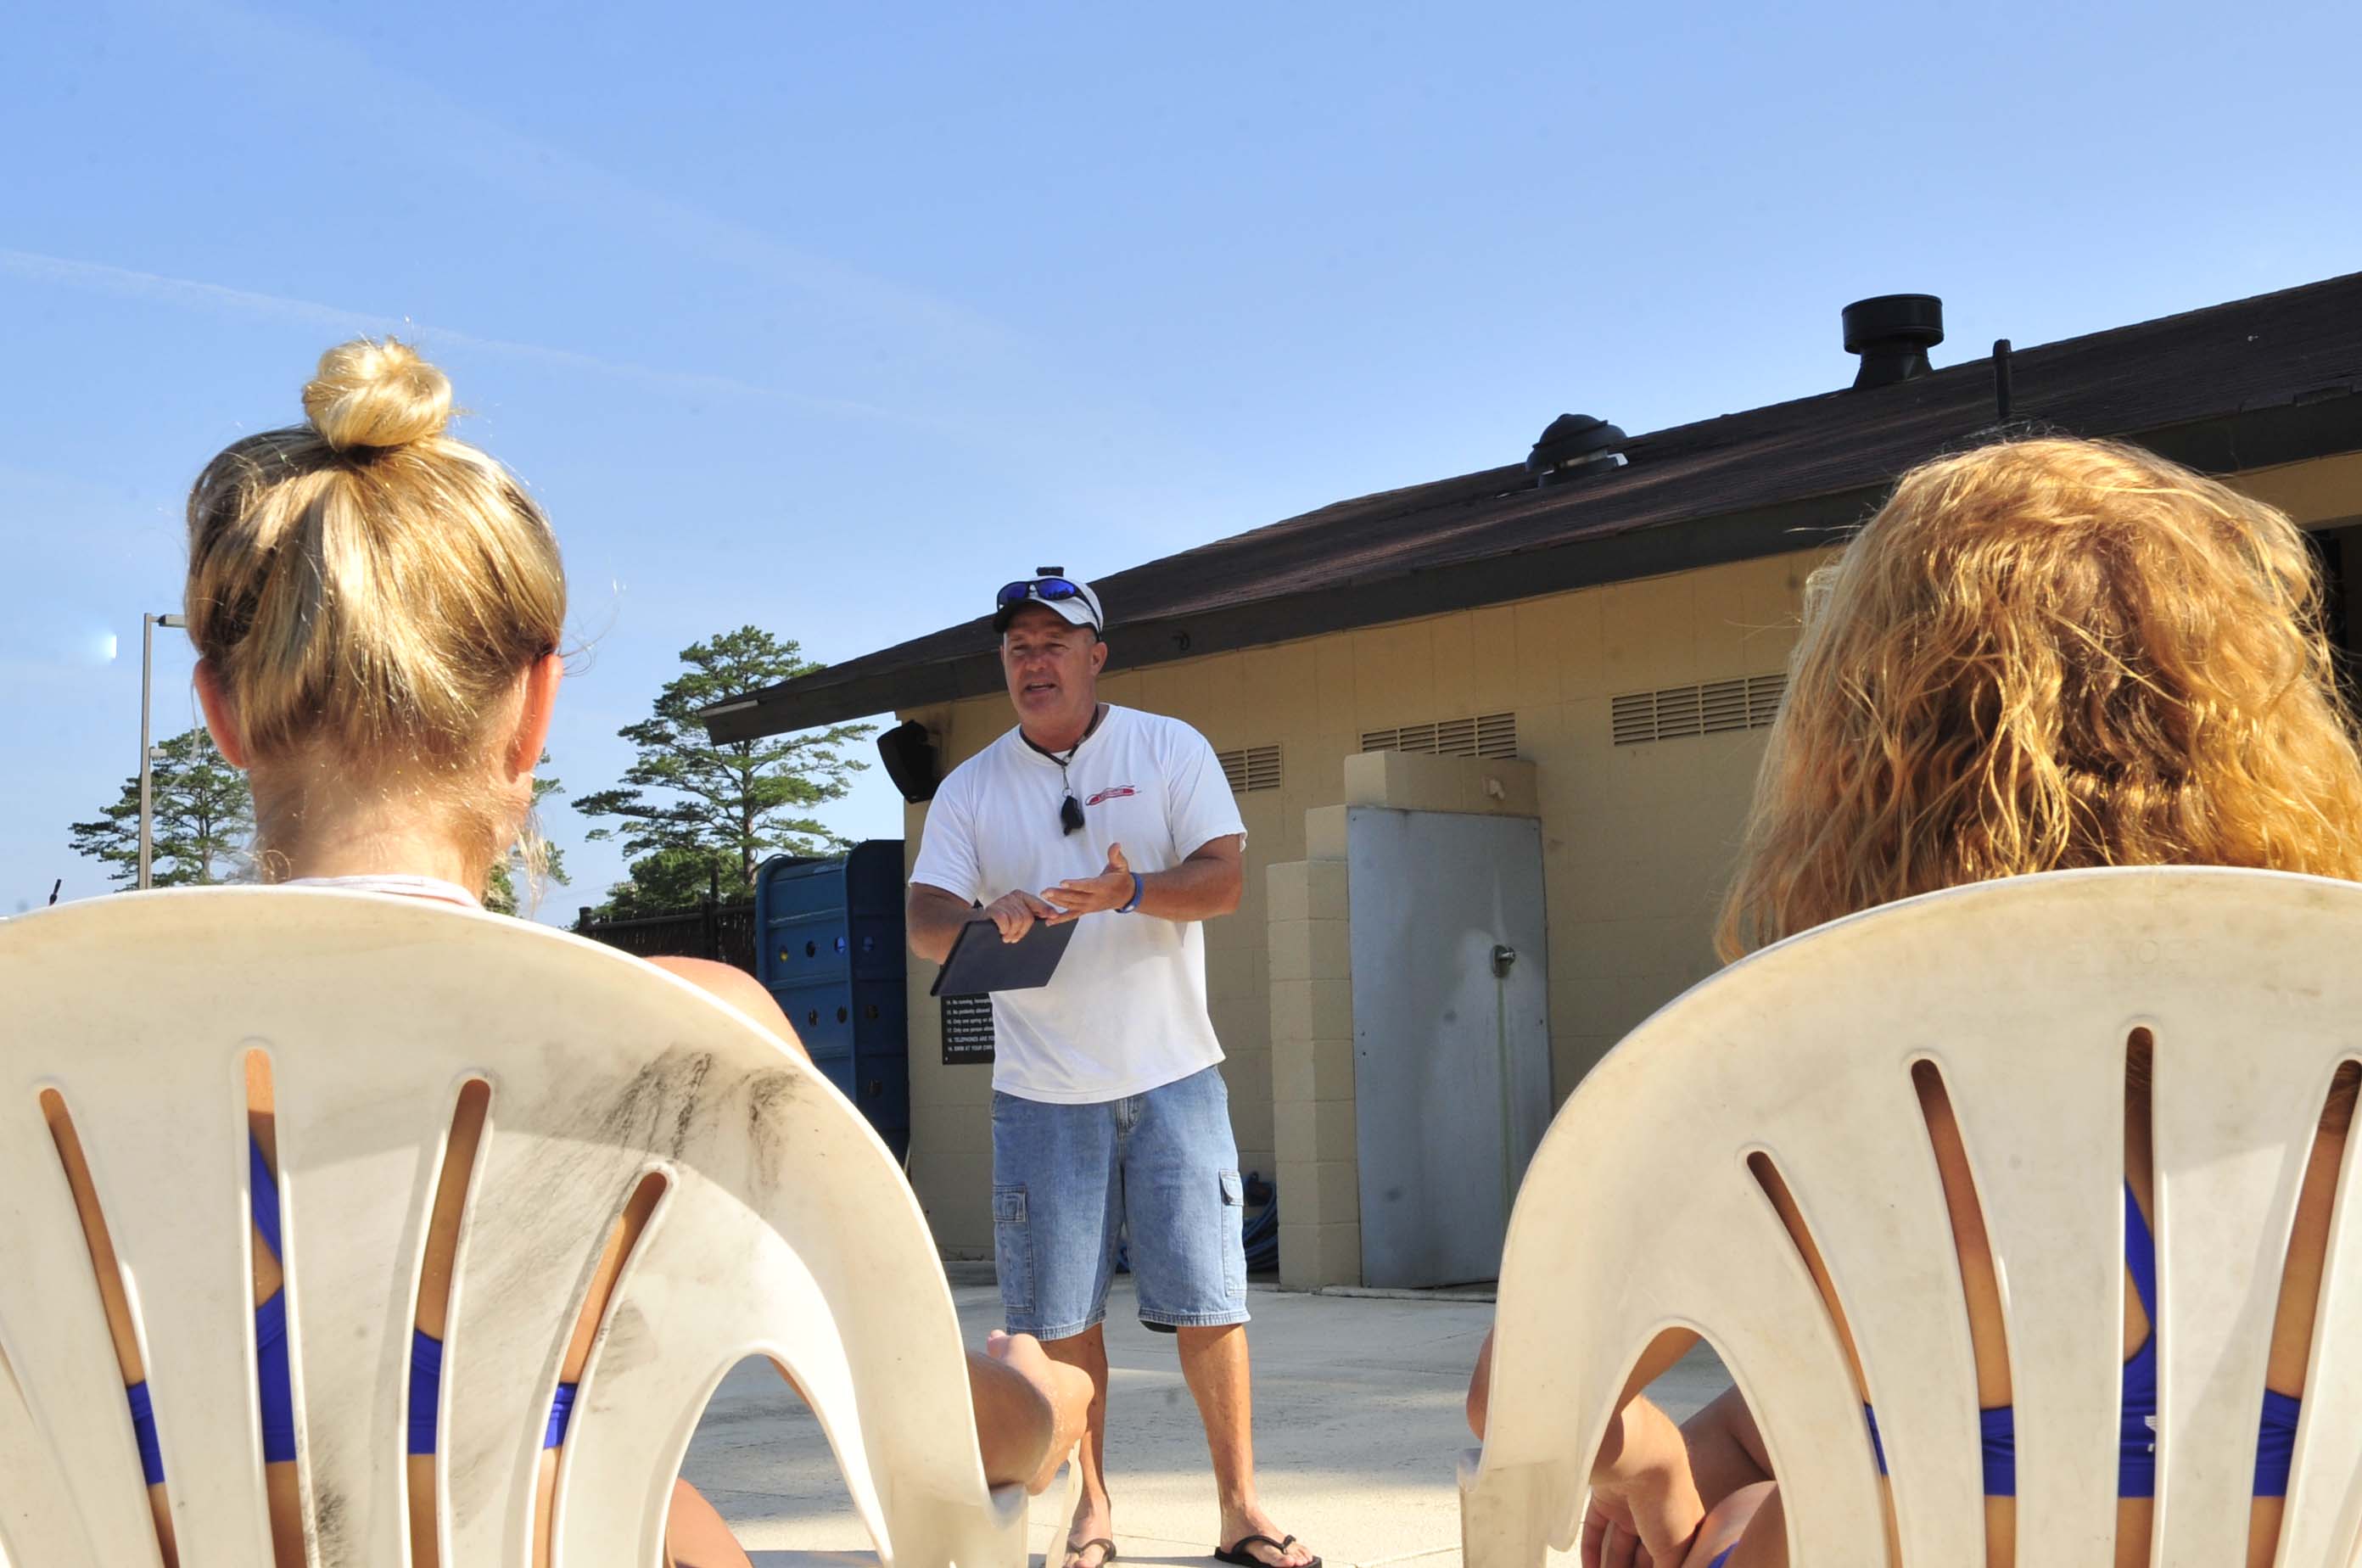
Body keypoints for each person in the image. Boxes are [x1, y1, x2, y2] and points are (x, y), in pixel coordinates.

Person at [42, 339, 1087, 1568]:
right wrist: (1041, 1400)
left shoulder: (46, 1051)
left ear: (220, 712)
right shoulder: (694, 1031)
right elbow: (928, 1441)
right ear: (534, 710)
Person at [1466, 437, 2362, 1568]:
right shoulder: (2337, 1054)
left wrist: (1649, 1456)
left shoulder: (1810, 1079)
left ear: (1861, 737)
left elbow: (1523, 1402)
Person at [906, 571, 1319, 1568]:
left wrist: (1134, 891)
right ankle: (1091, 1512)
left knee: (1211, 1301)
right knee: (1056, 1317)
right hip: (1042, 1094)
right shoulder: (970, 787)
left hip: (1174, 1075)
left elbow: (1222, 882)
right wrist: (980, 917)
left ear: (1098, 656)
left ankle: (1240, 1510)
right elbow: (923, 925)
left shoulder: (1168, 747)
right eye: (1017, 648)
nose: (1033, 661)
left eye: (1055, 642)